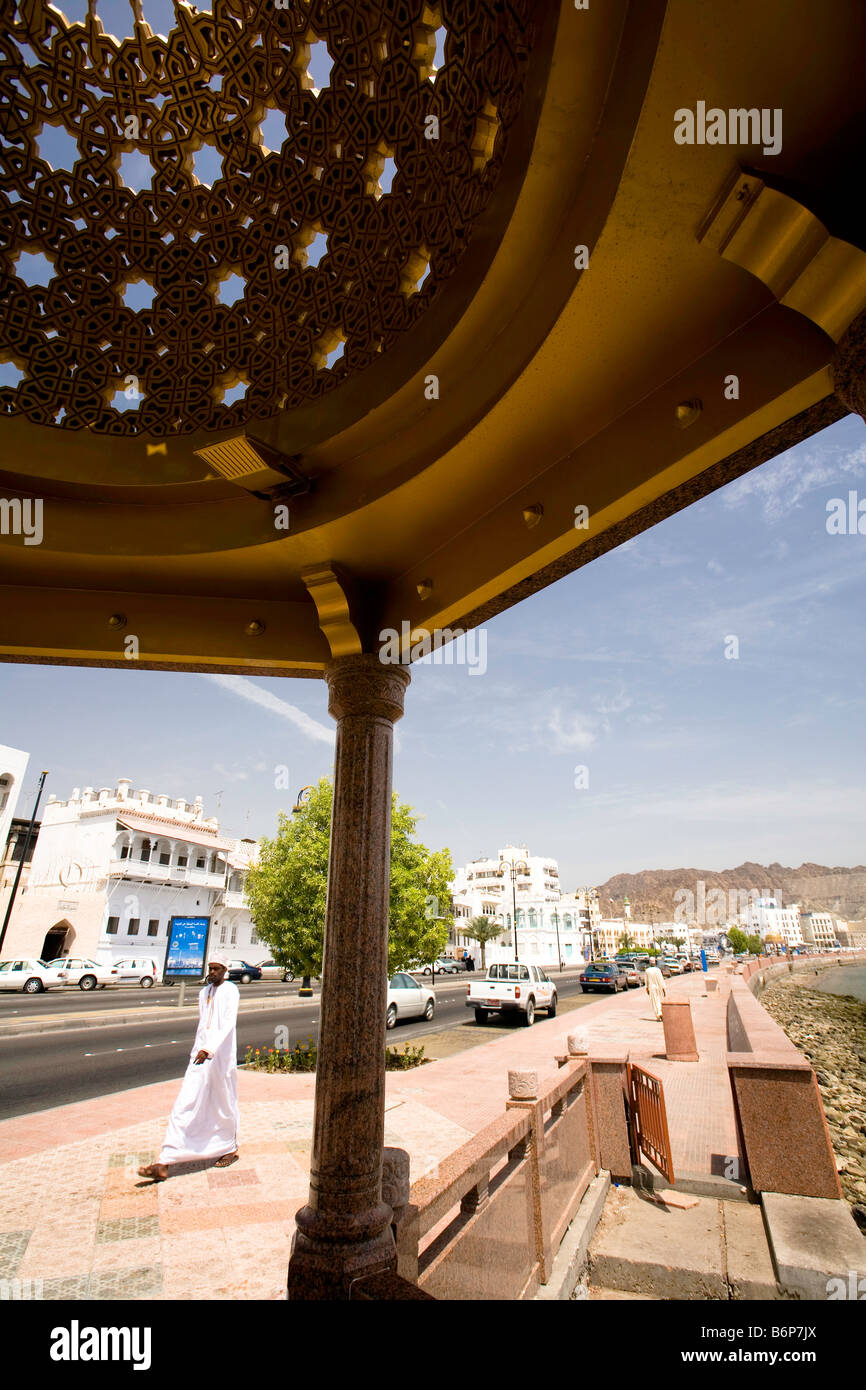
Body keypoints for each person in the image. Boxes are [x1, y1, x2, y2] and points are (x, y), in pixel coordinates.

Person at [139, 953, 240, 1182]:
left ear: (225, 970)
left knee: (223, 1102)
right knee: (184, 1104)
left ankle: (230, 1147)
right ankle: (165, 1161)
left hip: (221, 1057)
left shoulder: (231, 991)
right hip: (199, 1057)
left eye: (216, 968)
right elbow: (203, 1026)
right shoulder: (204, 993)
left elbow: (227, 1024)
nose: (212, 972)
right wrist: (199, 1050)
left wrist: (210, 1049)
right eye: (210, 968)